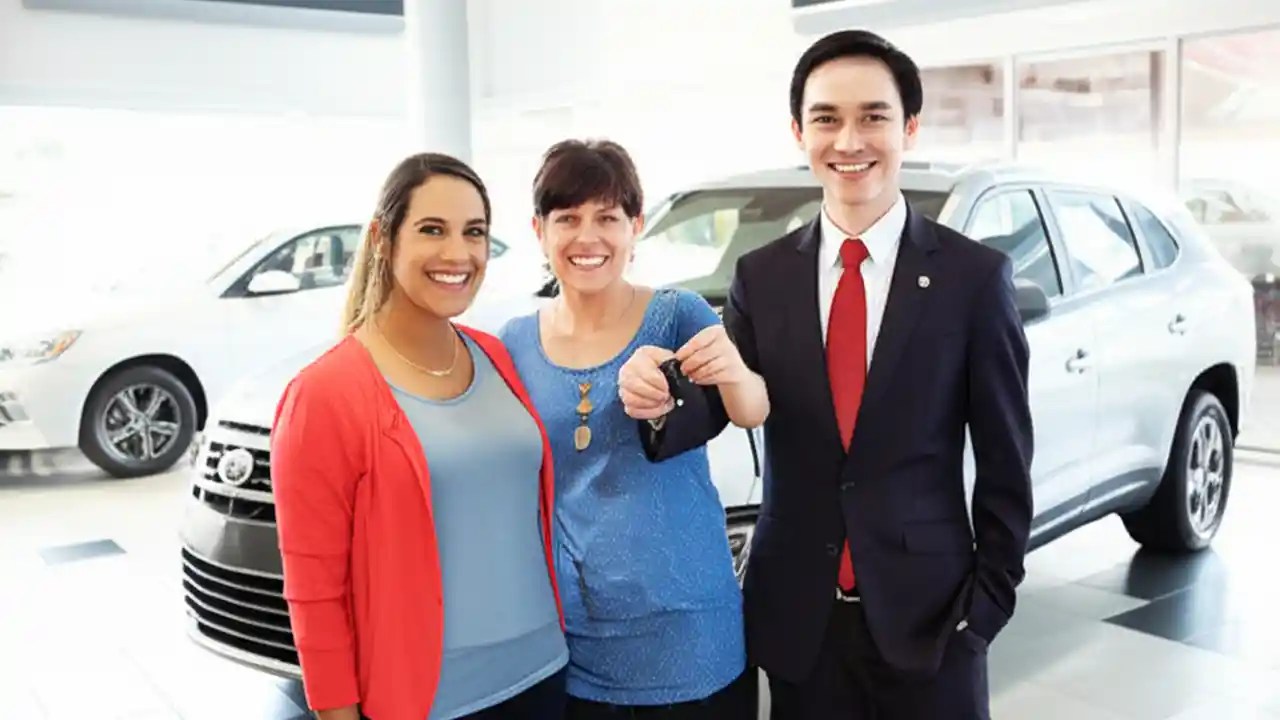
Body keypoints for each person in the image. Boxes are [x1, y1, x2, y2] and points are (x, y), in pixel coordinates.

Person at [631, 29, 1034, 719]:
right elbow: (727, 398)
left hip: (934, 623)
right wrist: (658, 397)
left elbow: (1006, 465)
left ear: (909, 125)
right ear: (798, 132)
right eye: (826, 119)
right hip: (800, 626)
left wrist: (983, 613)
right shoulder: (765, 274)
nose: (849, 141)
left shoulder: (975, 279)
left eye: (873, 116)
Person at [269, 152, 568, 720]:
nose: (458, 253)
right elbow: (314, 593)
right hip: (435, 701)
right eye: (433, 230)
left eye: (473, 232)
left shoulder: (496, 355)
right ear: (384, 239)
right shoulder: (325, 393)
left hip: (545, 673)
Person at [498, 138, 768, 719]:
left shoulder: (678, 314)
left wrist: (735, 368)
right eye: (567, 218)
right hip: (573, 638)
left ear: (636, 225)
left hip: (691, 630)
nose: (587, 237)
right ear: (539, 230)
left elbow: (751, 409)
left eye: (608, 217)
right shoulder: (513, 343)